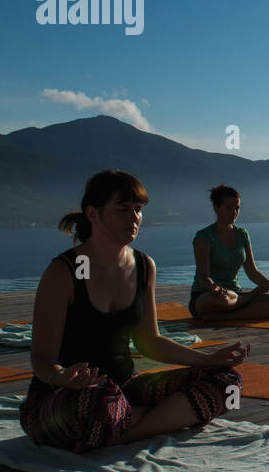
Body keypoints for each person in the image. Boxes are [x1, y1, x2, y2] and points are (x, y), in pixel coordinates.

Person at [19, 169, 248, 453]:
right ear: (93, 214)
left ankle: (125, 432)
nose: (134, 217)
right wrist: (60, 376)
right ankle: (144, 420)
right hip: (67, 397)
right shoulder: (63, 272)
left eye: (138, 209)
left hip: (125, 388)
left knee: (227, 382)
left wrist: (209, 360)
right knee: (98, 403)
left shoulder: (143, 266)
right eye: (123, 209)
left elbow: (150, 342)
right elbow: (41, 358)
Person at [189, 184, 269, 321]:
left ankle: (223, 317)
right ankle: (248, 298)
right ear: (216, 207)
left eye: (237, 208)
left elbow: (252, 271)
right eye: (228, 208)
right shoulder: (204, 237)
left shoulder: (242, 235)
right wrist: (214, 287)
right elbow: (203, 276)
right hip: (209, 296)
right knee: (221, 300)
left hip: (235, 295)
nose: (234, 212)